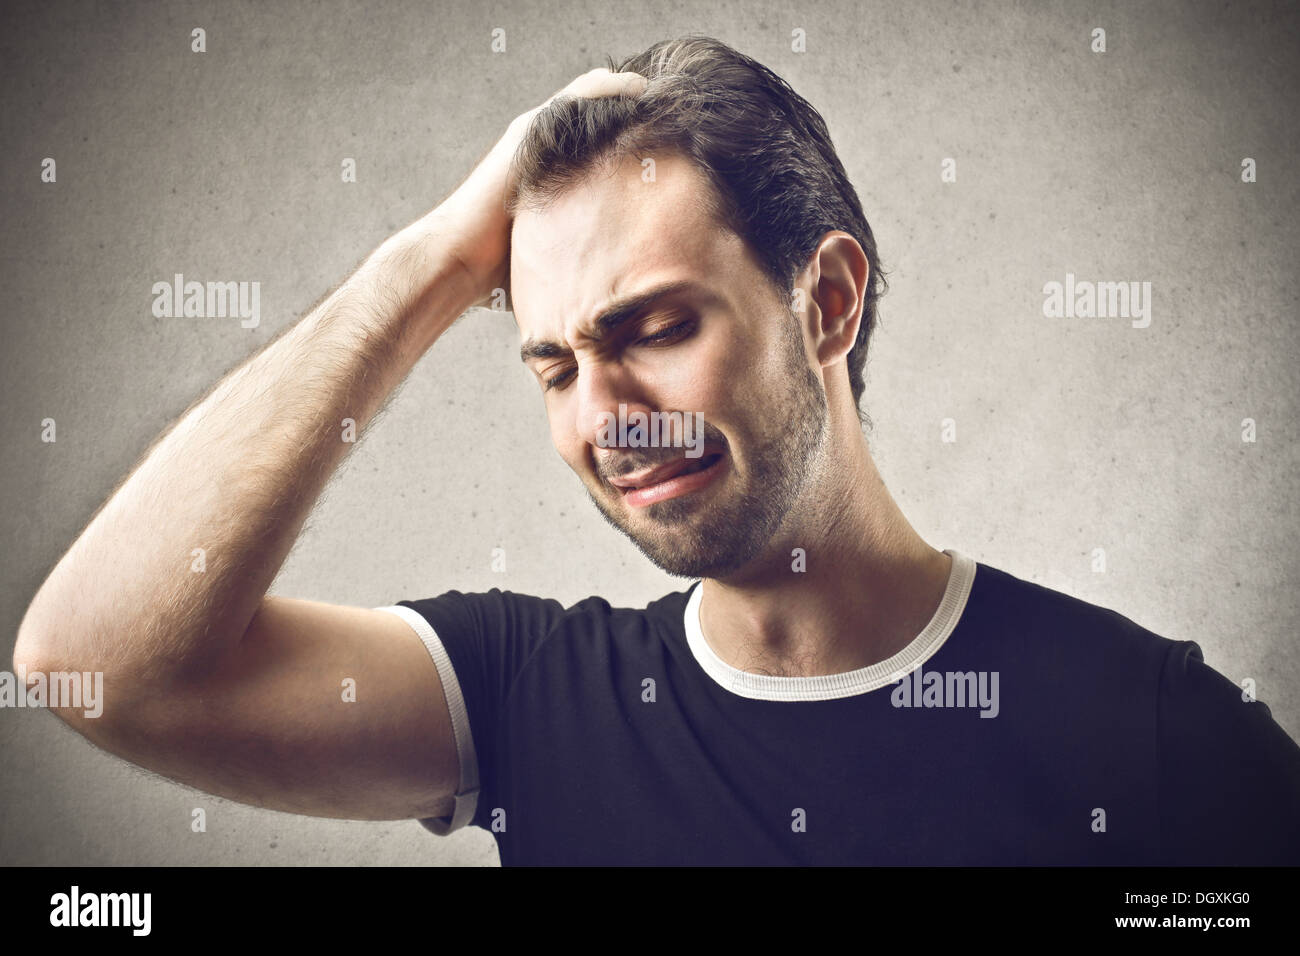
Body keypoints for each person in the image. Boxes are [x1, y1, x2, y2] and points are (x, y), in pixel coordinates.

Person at [15, 35, 1299, 866]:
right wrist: (427, 265)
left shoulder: (1152, 733)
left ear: (827, 301)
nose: (605, 417)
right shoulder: (525, 700)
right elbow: (98, 668)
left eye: (655, 329)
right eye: (554, 365)